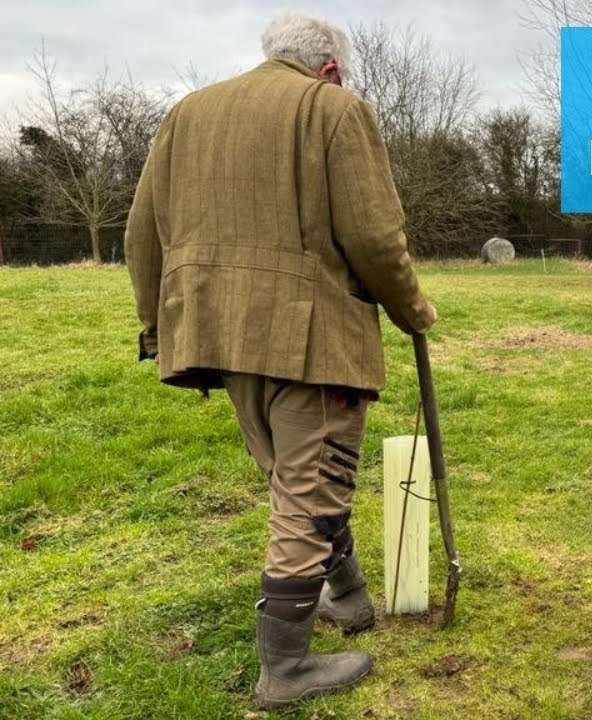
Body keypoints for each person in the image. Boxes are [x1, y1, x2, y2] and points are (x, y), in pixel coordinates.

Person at [124, 11, 435, 709]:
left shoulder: (187, 112)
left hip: (217, 332)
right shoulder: (334, 108)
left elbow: (141, 232)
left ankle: (349, 599)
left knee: (294, 476)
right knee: (309, 488)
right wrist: (412, 309)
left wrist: (159, 324)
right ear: (328, 68)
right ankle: (286, 667)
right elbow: (374, 235)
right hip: (309, 336)